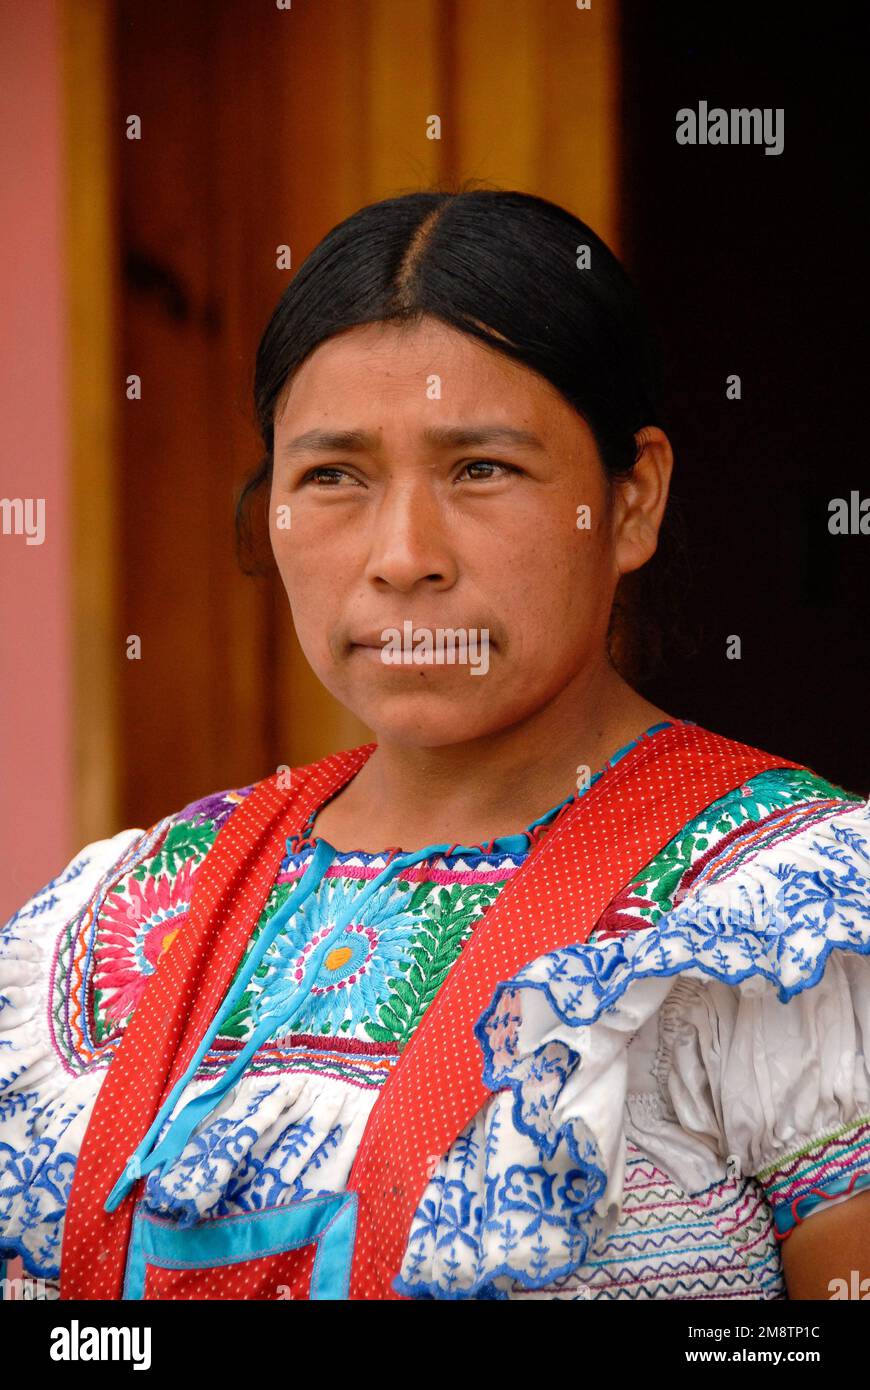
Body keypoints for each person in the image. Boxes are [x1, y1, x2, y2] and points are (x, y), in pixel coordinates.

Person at [1, 188, 868, 1302]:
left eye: (482, 469)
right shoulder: (127, 909)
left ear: (633, 499)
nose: (403, 554)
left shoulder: (790, 922)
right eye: (333, 476)